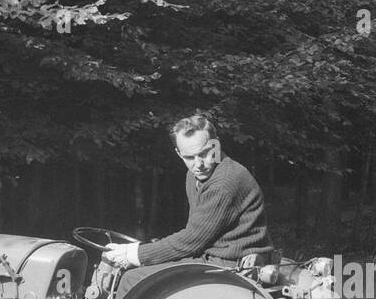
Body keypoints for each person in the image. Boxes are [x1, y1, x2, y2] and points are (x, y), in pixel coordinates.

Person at [101, 114, 277, 280]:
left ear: (216, 145)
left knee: (131, 279)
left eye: (204, 153)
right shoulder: (194, 176)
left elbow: (193, 240)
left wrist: (135, 254)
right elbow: (196, 233)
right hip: (214, 254)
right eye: (189, 157)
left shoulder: (225, 181)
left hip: (232, 262)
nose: (198, 164)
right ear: (179, 153)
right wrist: (142, 251)